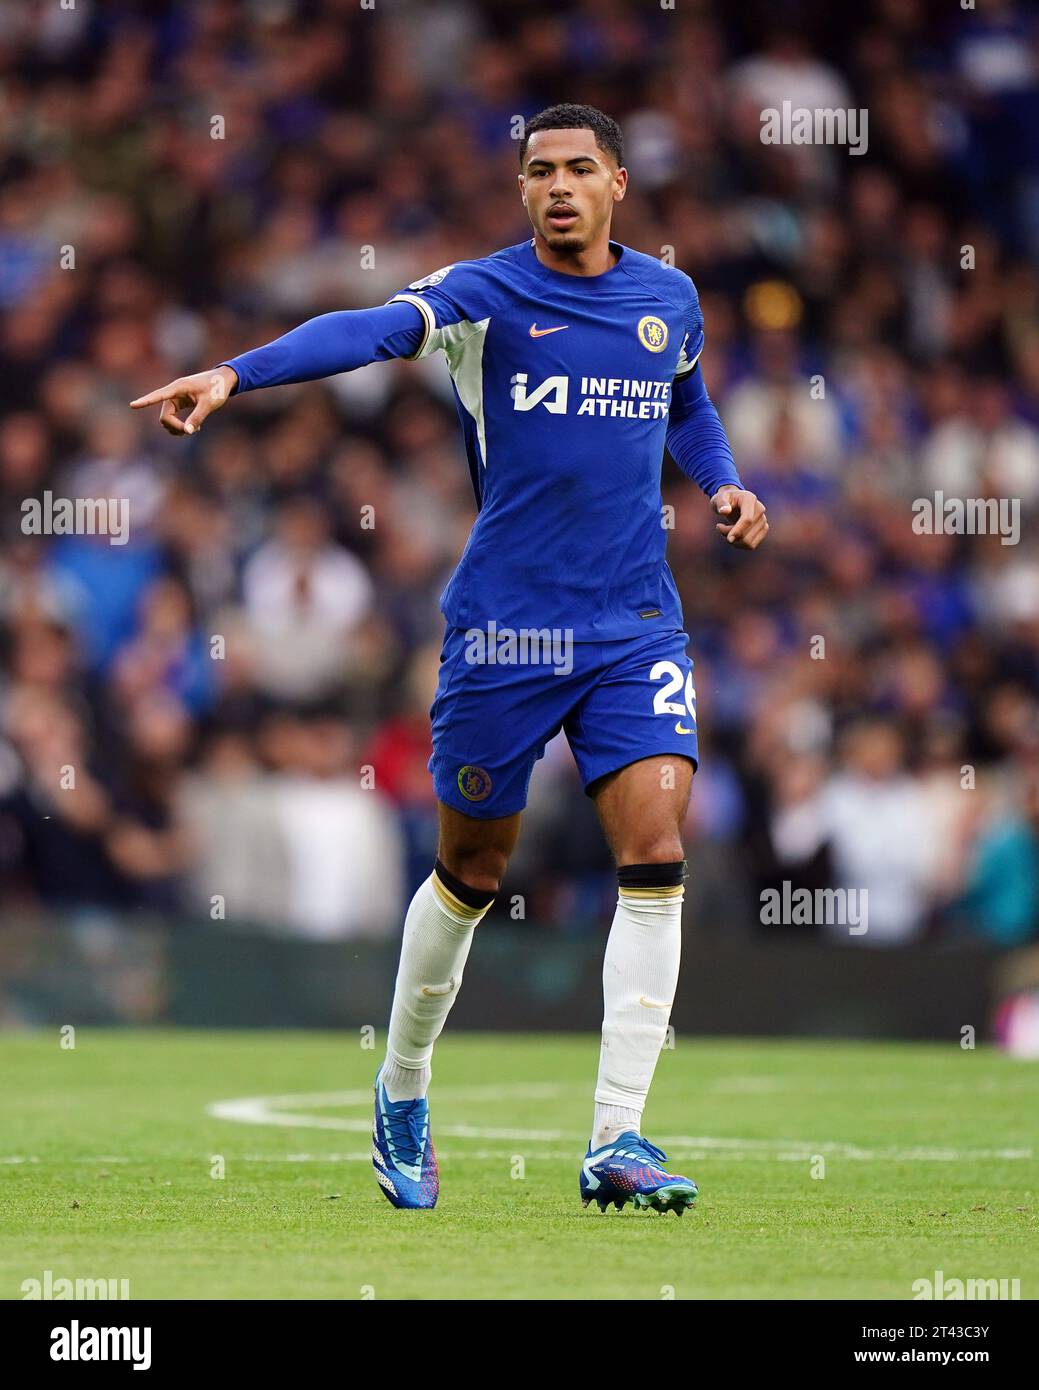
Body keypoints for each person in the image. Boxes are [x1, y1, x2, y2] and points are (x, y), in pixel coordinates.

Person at [131, 103, 768, 1215]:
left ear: (619, 182)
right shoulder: (484, 295)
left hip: (633, 627)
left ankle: (617, 1135)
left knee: (656, 844)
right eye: (538, 172)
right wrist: (234, 375)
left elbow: (688, 404)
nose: (558, 186)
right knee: (473, 869)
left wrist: (719, 481)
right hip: (503, 633)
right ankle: (403, 1086)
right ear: (521, 189)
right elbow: (366, 332)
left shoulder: (667, 300)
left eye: (579, 169)